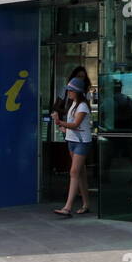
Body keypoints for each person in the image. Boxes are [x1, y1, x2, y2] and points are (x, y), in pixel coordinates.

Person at [53, 78, 92, 217]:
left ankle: (68, 207)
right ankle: (86, 204)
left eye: (70, 90)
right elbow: (74, 125)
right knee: (80, 173)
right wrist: (64, 127)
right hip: (73, 140)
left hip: (81, 142)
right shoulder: (74, 104)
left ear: (76, 92)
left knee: (74, 172)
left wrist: (59, 122)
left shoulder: (82, 106)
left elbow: (75, 124)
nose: (68, 92)